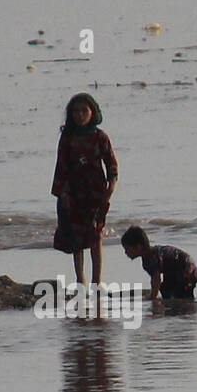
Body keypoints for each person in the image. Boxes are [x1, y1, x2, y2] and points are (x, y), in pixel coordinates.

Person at [51, 93, 117, 288]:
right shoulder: (67, 138)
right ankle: (80, 279)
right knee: (76, 237)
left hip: (95, 192)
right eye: (76, 111)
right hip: (73, 193)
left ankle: (97, 280)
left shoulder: (100, 137)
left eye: (84, 111)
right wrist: (62, 193)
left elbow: (111, 164)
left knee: (95, 235)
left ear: (93, 112)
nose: (80, 115)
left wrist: (111, 186)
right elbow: (61, 166)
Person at [121, 226, 197, 299]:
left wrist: (152, 297)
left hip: (186, 269)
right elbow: (155, 280)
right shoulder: (149, 257)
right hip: (181, 267)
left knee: (176, 292)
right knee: (166, 288)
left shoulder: (151, 258)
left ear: (138, 247)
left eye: (127, 249)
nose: (125, 252)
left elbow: (156, 280)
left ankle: (183, 305)